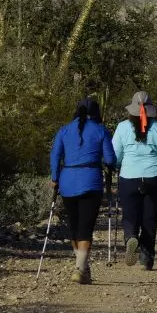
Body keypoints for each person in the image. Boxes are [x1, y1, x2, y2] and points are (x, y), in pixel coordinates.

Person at [49, 97, 116, 284]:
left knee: (74, 225)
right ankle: (80, 268)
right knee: (86, 227)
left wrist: (55, 178)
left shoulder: (64, 130)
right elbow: (110, 159)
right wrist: (111, 166)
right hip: (91, 181)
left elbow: (55, 155)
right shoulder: (101, 130)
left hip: (67, 182)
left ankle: (82, 267)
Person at [112, 91, 157, 271]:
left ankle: (131, 236)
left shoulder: (122, 127)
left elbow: (115, 156)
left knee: (130, 213)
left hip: (128, 177)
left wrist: (117, 165)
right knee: (150, 217)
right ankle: (147, 256)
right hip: (153, 177)